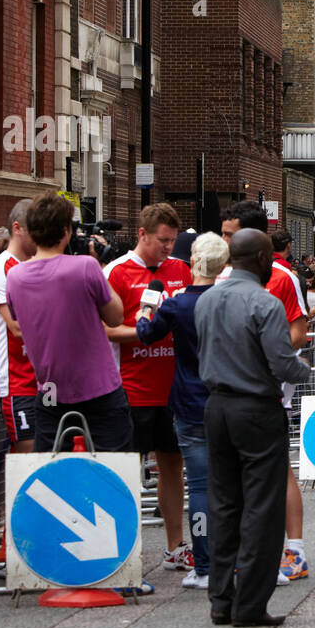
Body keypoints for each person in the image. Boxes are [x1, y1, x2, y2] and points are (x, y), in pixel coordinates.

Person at [196, 229, 311, 627]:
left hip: (217, 405)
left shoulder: (207, 299)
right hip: (256, 408)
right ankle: (250, 606)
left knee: (223, 503)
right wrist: (304, 369)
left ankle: (220, 599)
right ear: (263, 258)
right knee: (262, 506)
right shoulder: (264, 303)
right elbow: (282, 363)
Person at [135, 233, 228, 591]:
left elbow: (146, 333)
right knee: (231, 482)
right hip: (228, 400)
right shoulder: (229, 301)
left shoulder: (176, 305)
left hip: (189, 401)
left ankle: (203, 564)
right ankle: (232, 557)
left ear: (193, 263)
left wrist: (147, 307)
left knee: (200, 486)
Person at [104, 203, 194, 569]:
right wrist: (143, 332)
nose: (168, 248)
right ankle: (124, 550)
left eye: (172, 241)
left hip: (174, 386)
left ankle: (176, 545)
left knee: (173, 466)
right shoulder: (116, 272)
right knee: (127, 469)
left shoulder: (180, 270)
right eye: (162, 241)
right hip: (131, 386)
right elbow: (104, 330)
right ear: (142, 234)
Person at [5, 192, 130, 452]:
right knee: (111, 475)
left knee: (52, 478)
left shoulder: (15, 277)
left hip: (50, 390)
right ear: (66, 231)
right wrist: (98, 267)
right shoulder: (85, 267)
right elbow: (116, 317)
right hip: (99, 388)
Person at [0, 199, 38, 454]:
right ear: (18, 229)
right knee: (29, 459)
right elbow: (15, 327)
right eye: (35, 229)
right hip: (18, 380)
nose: (41, 236)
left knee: (51, 459)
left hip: (49, 378)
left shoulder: (39, 262)